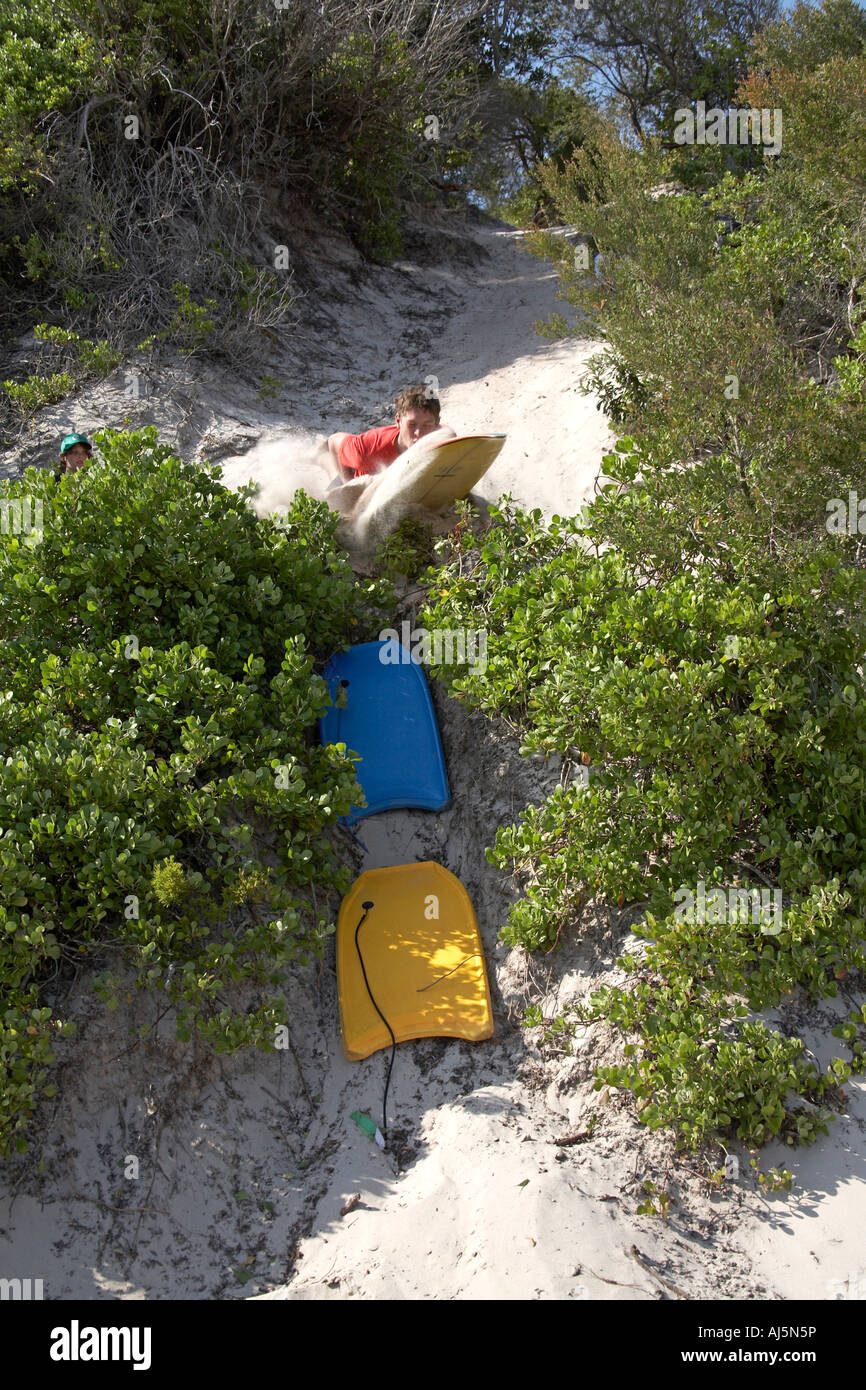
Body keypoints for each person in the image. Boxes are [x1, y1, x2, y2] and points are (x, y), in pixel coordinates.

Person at [319, 385, 455, 486]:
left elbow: (450, 433)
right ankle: (321, 459)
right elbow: (334, 442)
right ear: (398, 421)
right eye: (412, 424)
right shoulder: (368, 449)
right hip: (357, 472)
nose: (418, 433)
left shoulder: (442, 436)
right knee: (336, 489)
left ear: (436, 424)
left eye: (426, 425)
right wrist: (348, 484)